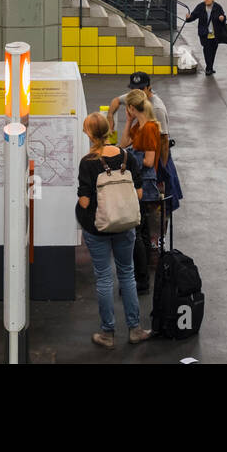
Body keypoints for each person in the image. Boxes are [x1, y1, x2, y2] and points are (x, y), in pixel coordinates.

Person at [76, 112, 150, 348]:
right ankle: (135, 328)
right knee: (127, 273)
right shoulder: (127, 157)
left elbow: (85, 202)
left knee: (105, 278)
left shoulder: (88, 162)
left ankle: (108, 333)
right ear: (108, 130)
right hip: (125, 224)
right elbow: (138, 194)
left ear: (89, 134)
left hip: (97, 228)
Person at [121, 89, 164, 294]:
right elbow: (123, 144)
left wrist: (129, 159)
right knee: (142, 231)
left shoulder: (149, 129)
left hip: (144, 185)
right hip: (142, 184)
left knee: (138, 233)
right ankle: (142, 276)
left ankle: (142, 279)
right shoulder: (141, 125)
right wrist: (129, 122)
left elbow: (148, 160)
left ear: (131, 107)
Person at [184, 0, 227, 75]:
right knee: (207, 50)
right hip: (204, 33)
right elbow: (193, 16)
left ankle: (210, 67)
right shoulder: (200, 7)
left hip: (215, 34)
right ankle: (208, 68)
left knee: (213, 50)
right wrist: (188, 18)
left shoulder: (217, 7)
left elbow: (223, 17)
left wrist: (222, 18)